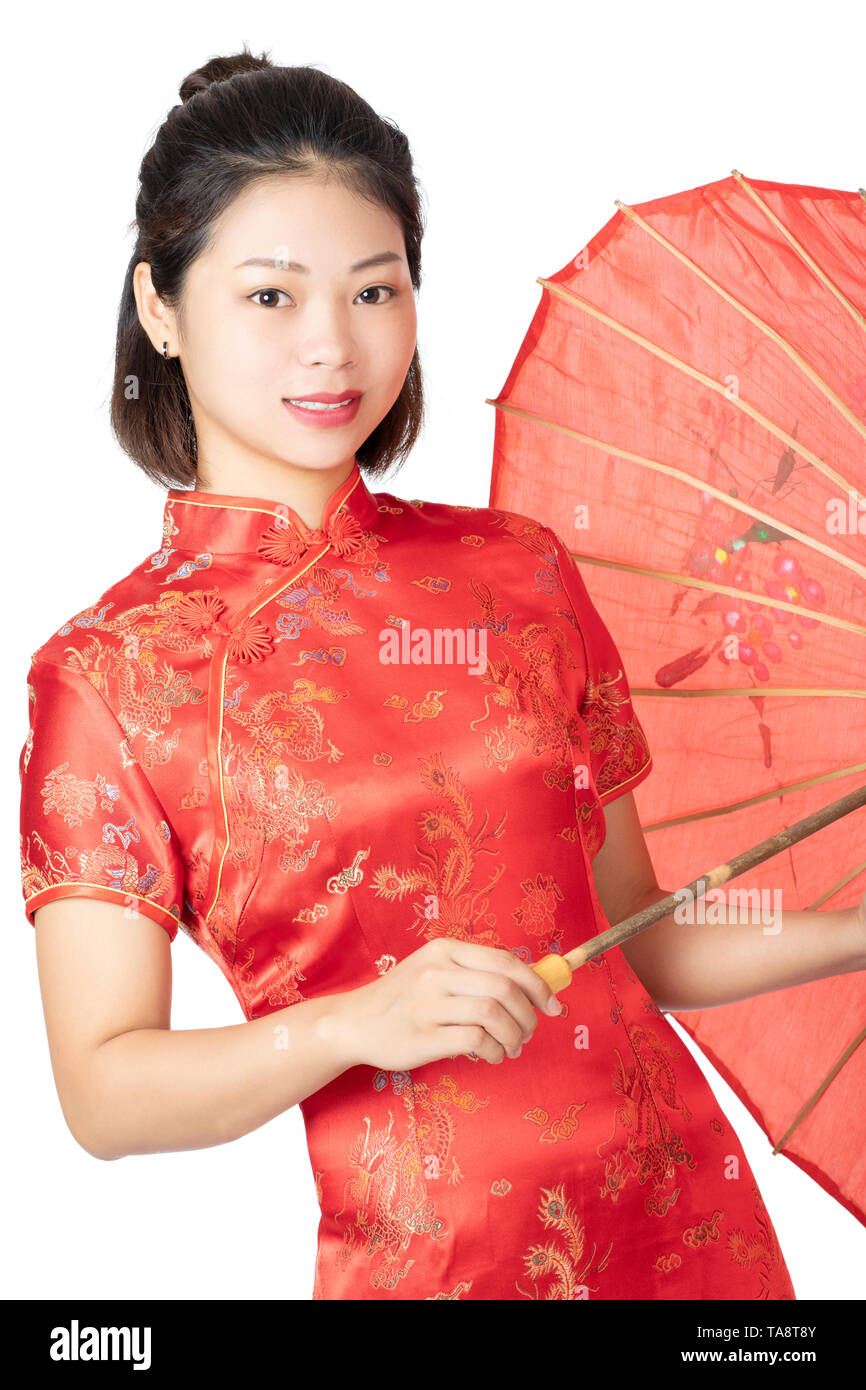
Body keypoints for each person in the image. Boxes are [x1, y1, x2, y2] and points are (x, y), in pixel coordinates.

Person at [19, 47, 866, 1302]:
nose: (331, 348)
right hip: (435, 1264)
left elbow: (643, 932)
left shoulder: (515, 571)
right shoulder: (110, 676)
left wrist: (855, 933)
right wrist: (354, 1024)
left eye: (374, 291)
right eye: (269, 298)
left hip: (693, 1237)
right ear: (158, 307)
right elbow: (104, 1089)